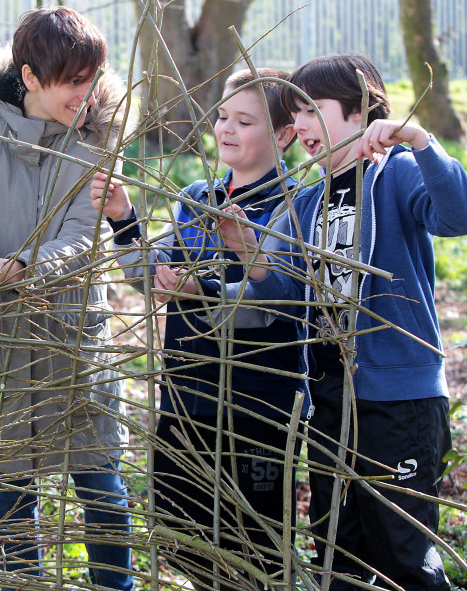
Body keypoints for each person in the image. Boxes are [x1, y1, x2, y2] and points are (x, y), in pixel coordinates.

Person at [209, 53, 467, 591]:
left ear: (360, 113)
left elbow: (460, 215)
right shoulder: (305, 203)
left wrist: (421, 142)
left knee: (404, 552)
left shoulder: (396, 174)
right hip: (332, 396)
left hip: (397, 400)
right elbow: (283, 288)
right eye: (295, 113)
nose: (302, 125)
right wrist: (250, 255)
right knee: (339, 549)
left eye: (313, 110)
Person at [0, 6, 134, 590]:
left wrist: (13, 270)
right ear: (31, 77)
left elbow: (80, 242)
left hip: (72, 347)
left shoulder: (95, 146)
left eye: (93, 77)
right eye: (72, 80)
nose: (86, 94)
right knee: (12, 503)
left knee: (103, 493)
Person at [91, 68, 306, 586]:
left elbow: (274, 302)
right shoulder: (196, 197)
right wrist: (124, 220)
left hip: (257, 406)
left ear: (284, 135)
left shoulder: (295, 206)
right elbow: (149, 274)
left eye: (245, 121)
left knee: (253, 543)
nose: (226, 129)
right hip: (187, 396)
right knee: (180, 528)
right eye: (222, 117)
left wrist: (202, 291)